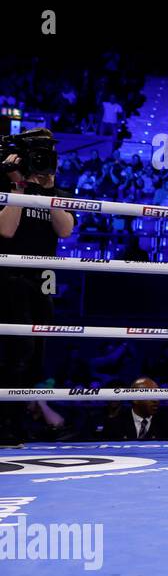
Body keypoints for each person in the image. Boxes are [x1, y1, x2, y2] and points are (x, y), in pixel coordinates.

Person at [0, 130, 76, 443]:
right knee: (12, 353)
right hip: (8, 280)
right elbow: (6, 229)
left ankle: (19, 421)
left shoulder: (55, 189)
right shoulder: (4, 183)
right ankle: (5, 423)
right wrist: (18, 186)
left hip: (42, 282)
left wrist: (47, 193)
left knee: (35, 357)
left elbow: (65, 230)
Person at [102, 378, 168, 441]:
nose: (155, 400)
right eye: (150, 396)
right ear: (134, 399)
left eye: (157, 395)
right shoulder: (115, 422)